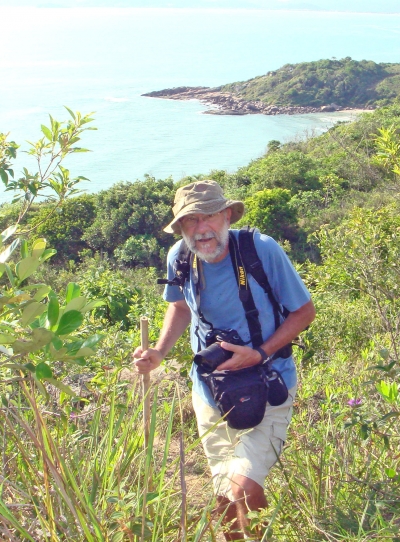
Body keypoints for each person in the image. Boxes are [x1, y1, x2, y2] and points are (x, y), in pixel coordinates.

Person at [133, 180, 316, 539]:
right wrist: (158, 352)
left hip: (268, 383)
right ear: (182, 227)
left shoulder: (260, 250)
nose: (202, 229)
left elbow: (304, 312)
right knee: (223, 494)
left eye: (210, 216)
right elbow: (180, 305)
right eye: (191, 221)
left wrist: (259, 354)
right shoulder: (180, 256)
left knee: (241, 487)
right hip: (211, 392)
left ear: (227, 215)